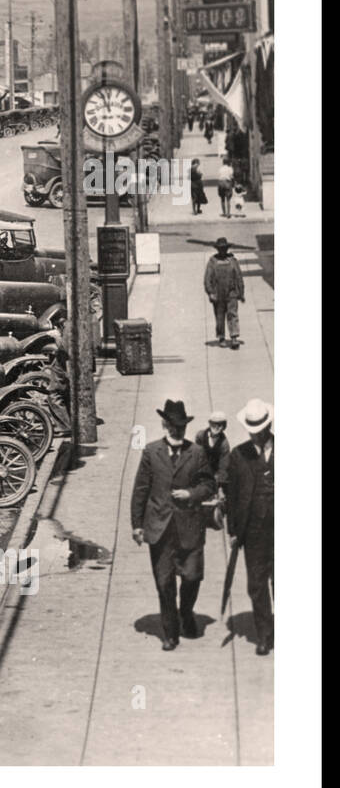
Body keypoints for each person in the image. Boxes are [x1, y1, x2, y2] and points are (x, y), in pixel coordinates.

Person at [130, 400, 216, 650]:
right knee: (164, 583)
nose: (177, 431)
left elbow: (209, 485)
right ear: (164, 425)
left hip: (190, 527)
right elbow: (140, 490)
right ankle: (170, 633)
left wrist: (191, 494)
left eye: (181, 426)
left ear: (186, 427)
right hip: (160, 529)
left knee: (192, 577)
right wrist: (137, 525)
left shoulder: (197, 453)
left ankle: (186, 612)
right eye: (172, 426)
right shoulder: (151, 452)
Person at [223, 399, 274, 655]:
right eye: (253, 430)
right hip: (252, 532)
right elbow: (231, 496)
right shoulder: (239, 455)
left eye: (262, 430)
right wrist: (233, 530)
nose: (257, 434)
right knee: (256, 583)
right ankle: (264, 634)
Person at [204, 237, 245, 349]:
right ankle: (221, 336)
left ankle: (234, 337)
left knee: (233, 314)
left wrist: (241, 292)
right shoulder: (212, 262)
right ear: (217, 249)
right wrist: (210, 292)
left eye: (224, 249)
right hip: (218, 293)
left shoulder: (232, 261)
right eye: (221, 249)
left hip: (231, 292)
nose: (223, 251)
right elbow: (208, 278)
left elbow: (239, 277)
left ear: (227, 249)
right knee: (219, 316)